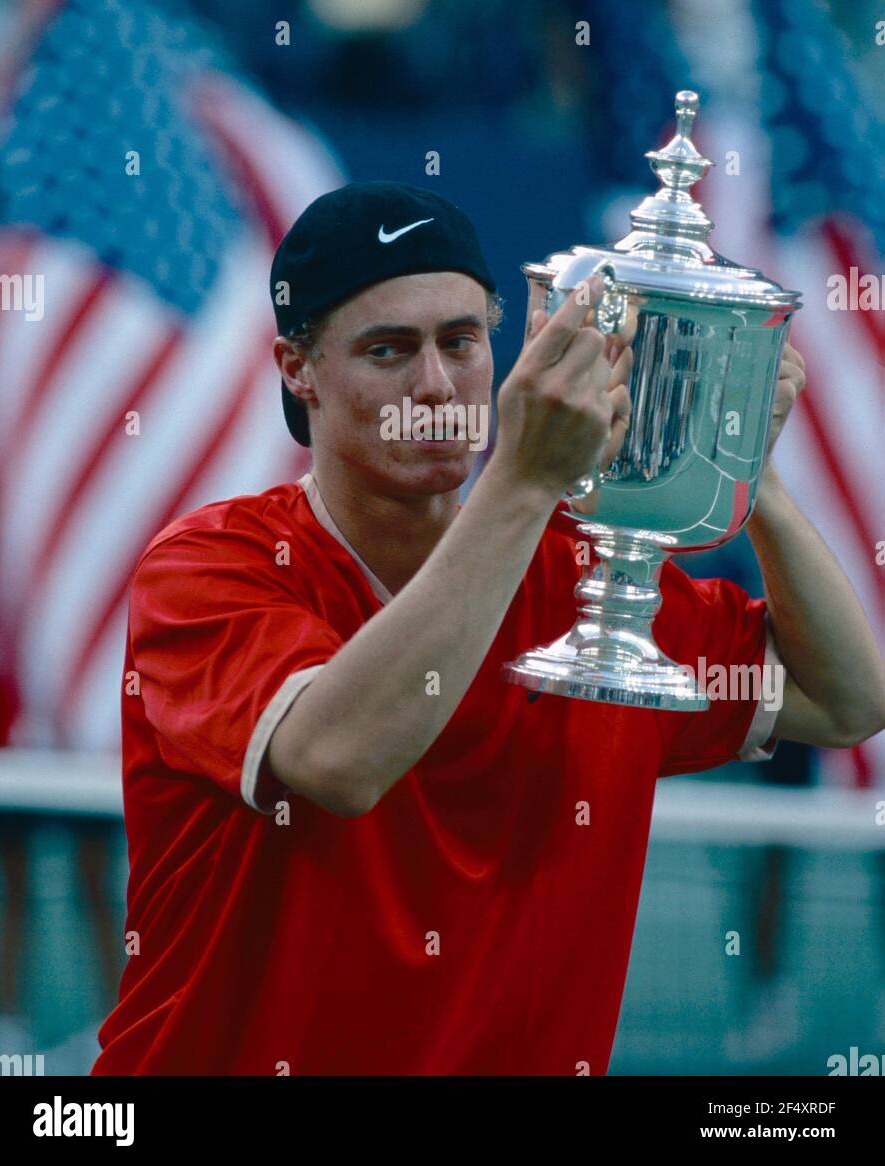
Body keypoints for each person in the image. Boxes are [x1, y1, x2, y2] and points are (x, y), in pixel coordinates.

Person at [91, 181, 885, 1076]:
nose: (435, 385)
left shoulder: (585, 577)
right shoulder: (209, 569)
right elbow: (341, 759)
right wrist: (520, 480)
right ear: (296, 368)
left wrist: (747, 472)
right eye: (388, 349)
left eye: (461, 342)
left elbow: (844, 698)